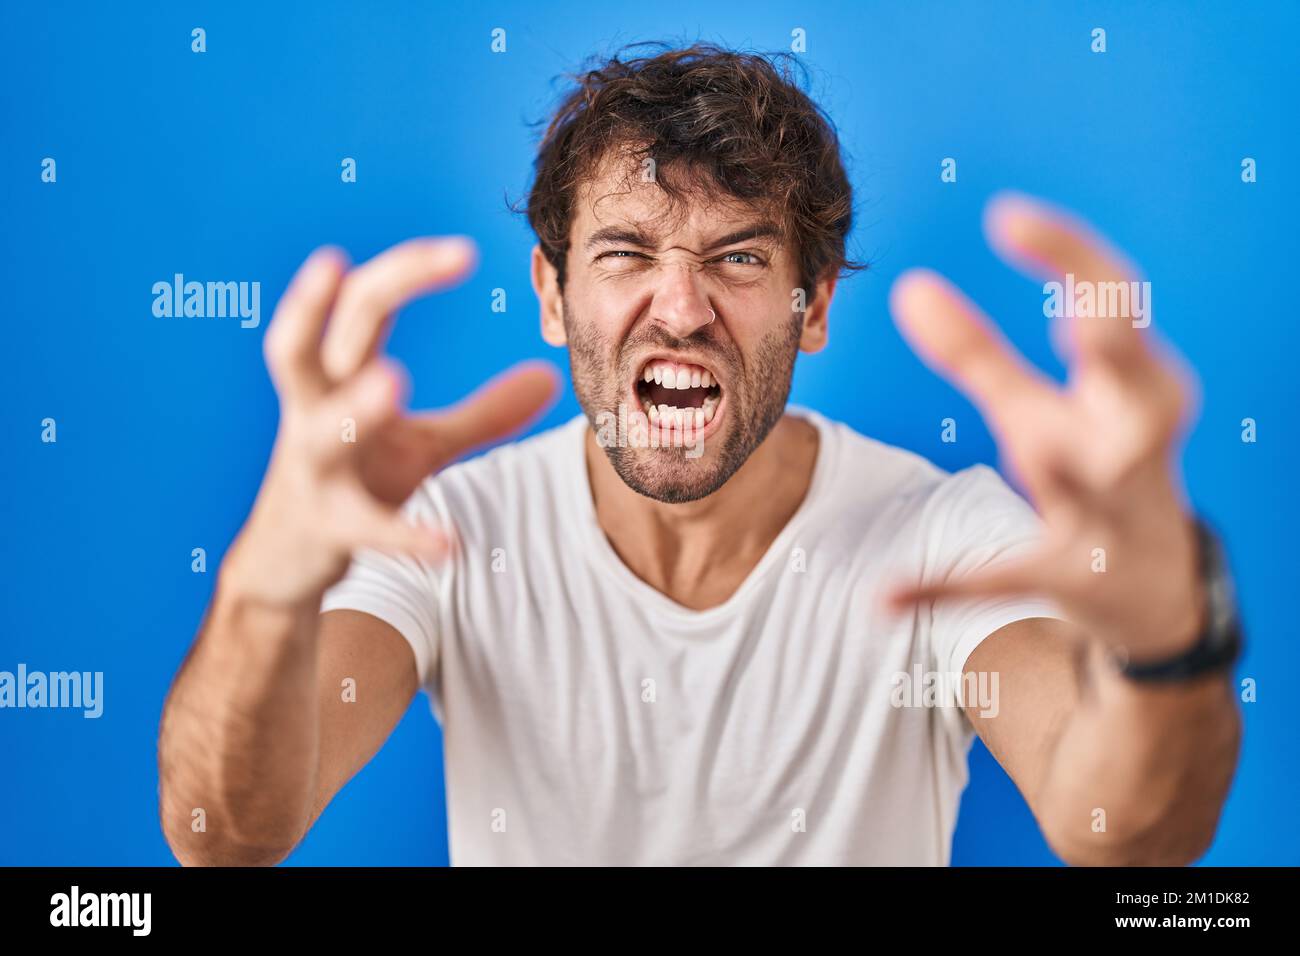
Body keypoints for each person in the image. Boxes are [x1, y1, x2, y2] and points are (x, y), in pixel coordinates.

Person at [158, 43, 1241, 866]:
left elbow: (1127, 836)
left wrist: (1170, 641)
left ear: (811, 305)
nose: (678, 308)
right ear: (550, 292)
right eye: (625, 252)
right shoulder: (447, 531)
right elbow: (225, 830)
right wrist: (264, 582)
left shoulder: (943, 534)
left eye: (737, 257)